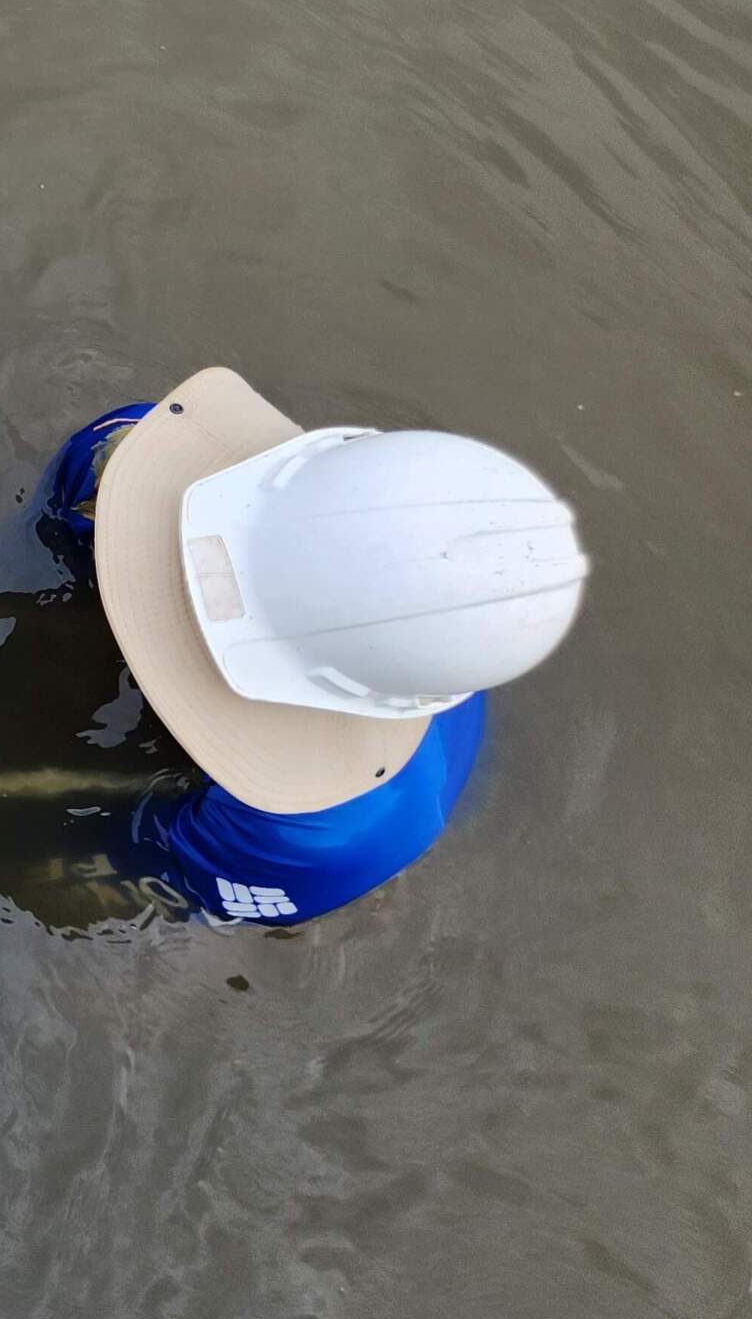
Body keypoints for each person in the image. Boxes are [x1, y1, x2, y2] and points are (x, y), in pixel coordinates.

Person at [36, 366, 586, 926]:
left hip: (352, 824)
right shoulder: (121, 457)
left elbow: (148, 874)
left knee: (76, 883)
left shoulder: (324, 832)